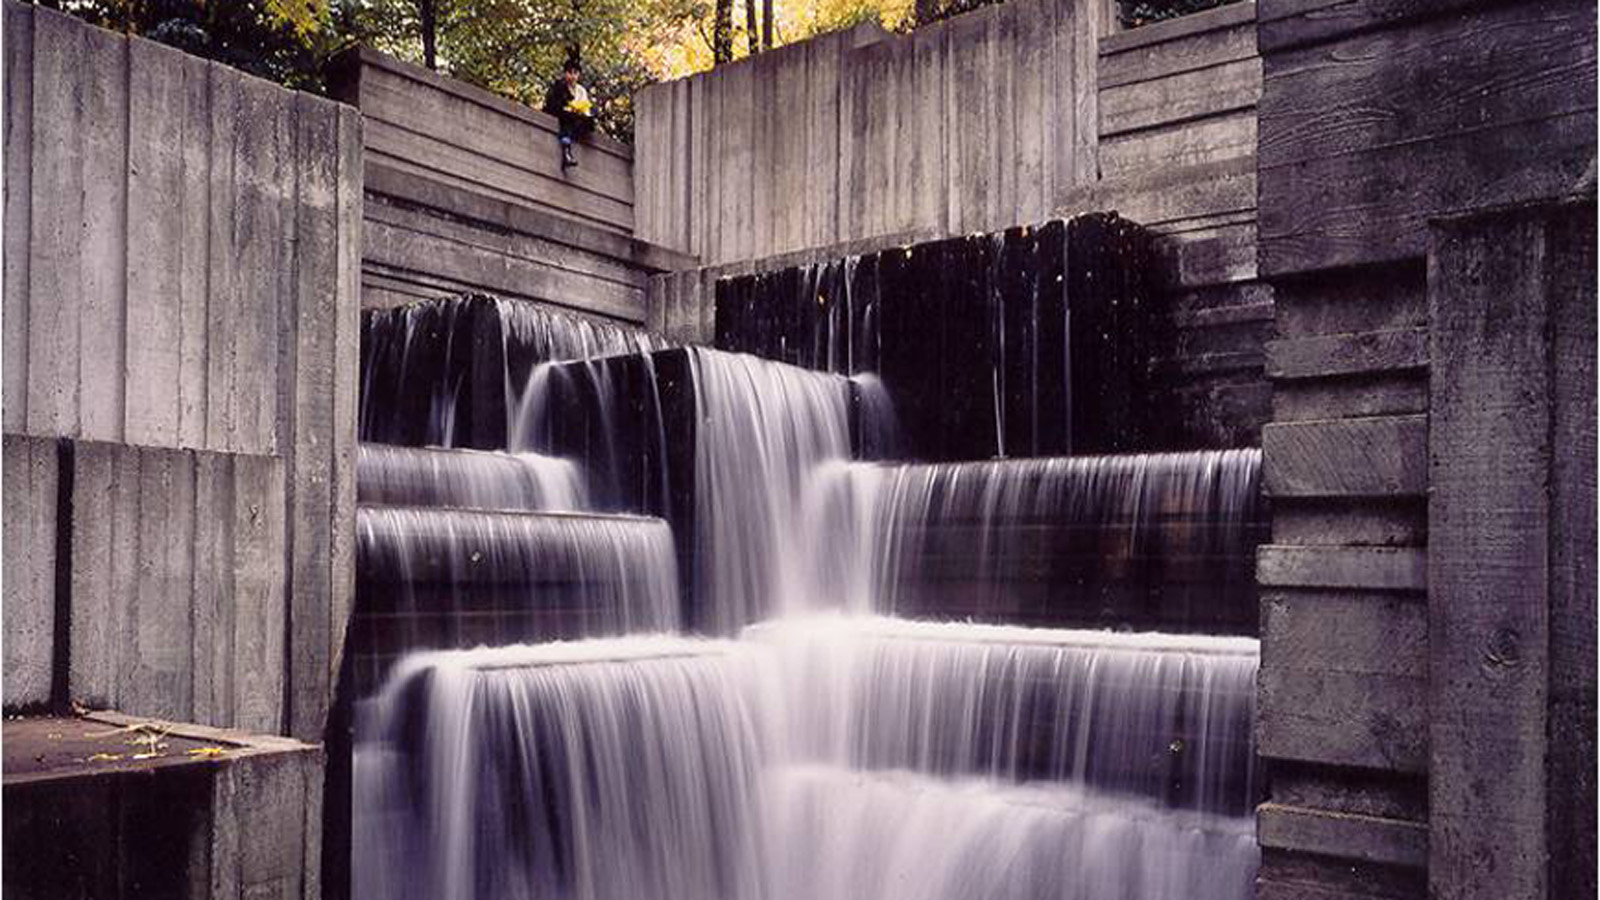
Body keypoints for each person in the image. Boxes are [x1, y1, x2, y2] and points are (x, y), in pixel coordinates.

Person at [542, 58, 594, 170]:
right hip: (560, 112)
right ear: (565, 73)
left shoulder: (581, 90)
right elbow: (553, 103)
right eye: (570, 72)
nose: (573, 76)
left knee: (588, 122)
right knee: (567, 119)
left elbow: (585, 106)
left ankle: (570, 140)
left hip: (575, 114)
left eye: (575, 73)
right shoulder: (559, 86)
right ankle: (566, 151)